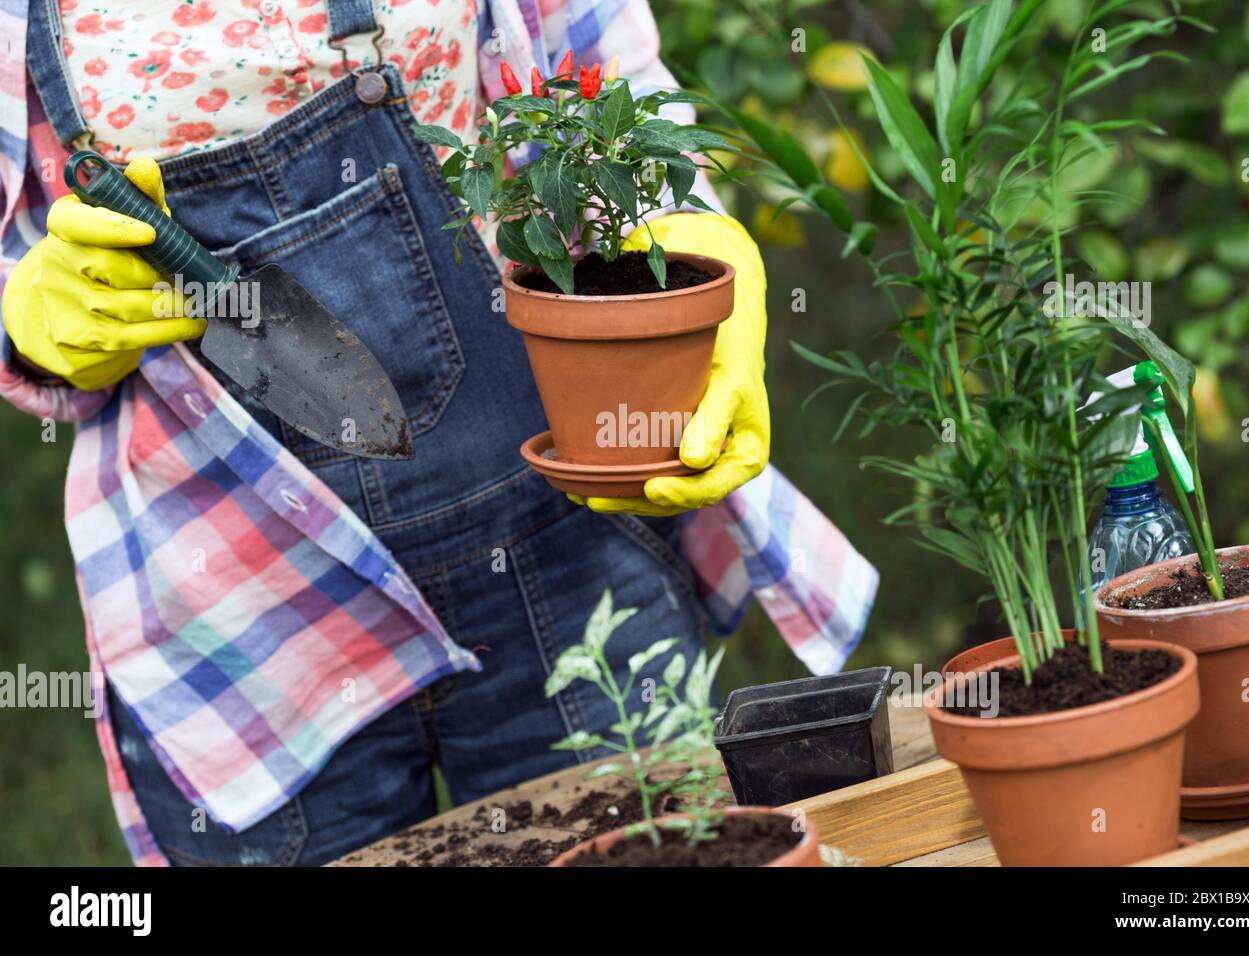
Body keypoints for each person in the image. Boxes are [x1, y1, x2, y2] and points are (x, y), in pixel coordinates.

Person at [0, 0, 877, 866]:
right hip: (247, 626)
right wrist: (30, 325)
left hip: (568, 543)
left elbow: (605, 77)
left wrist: (691, 247)